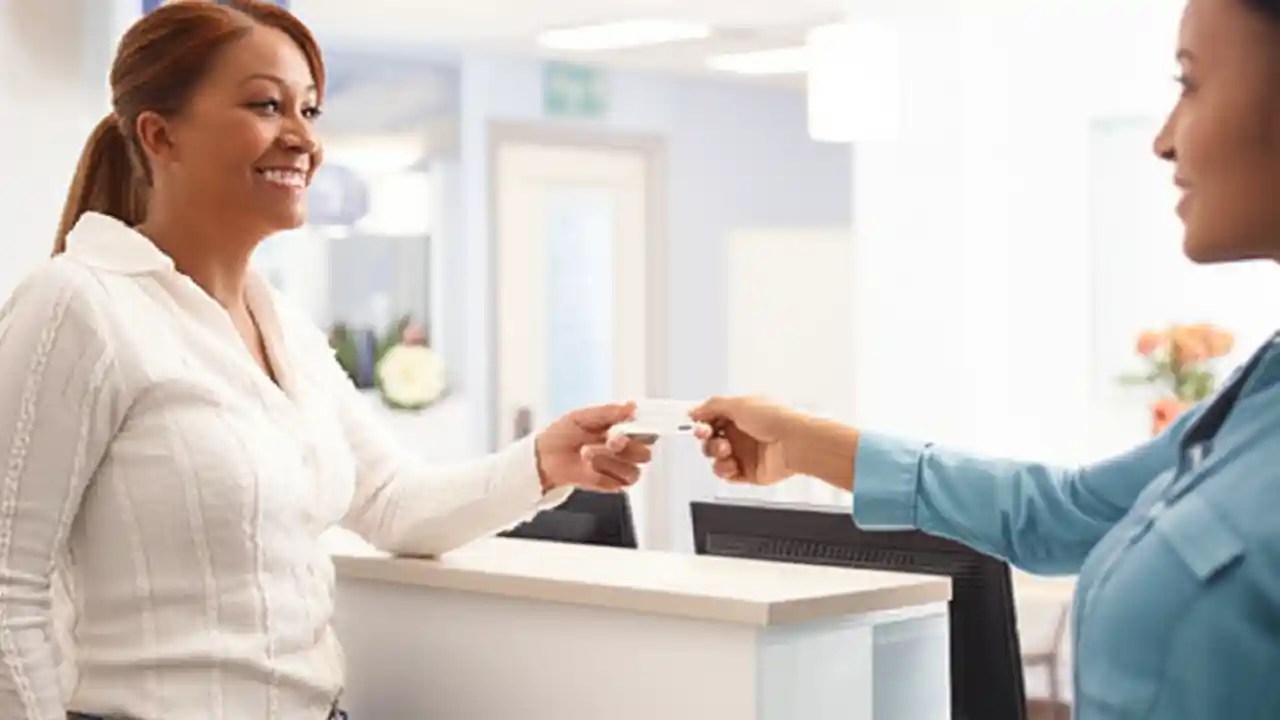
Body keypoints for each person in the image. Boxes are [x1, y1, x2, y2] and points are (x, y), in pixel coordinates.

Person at [0, 2, 650, 718]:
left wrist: (545, 461)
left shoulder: (285, 329)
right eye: (266, 104)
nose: (303, 138)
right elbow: (8, 584)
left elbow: (395, 505)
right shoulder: (79, 304)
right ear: (160, 135)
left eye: (309, 109)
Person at [687, 0, 1280, 718]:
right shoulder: (1260, 395)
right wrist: (808, 443)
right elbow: (1065, 516)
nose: (1162, 140)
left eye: (1190, 83)